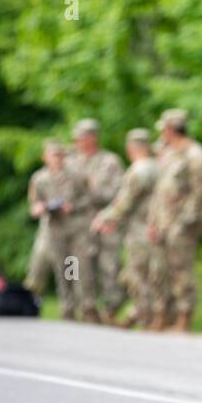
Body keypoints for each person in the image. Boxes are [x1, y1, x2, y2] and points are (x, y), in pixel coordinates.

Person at [144, 109, 202, 332]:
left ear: (171, 129)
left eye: (163, 129)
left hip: (181, 225)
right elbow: (159, 192)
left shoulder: (195, 155)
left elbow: (199, 193)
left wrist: (185, 223)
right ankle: (162, 315)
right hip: (162, 223)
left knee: (181, 271)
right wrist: (152, 221)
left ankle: (184, 317)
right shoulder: (169, 154)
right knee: (158, 271)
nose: (162, 133)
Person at [93, 128, 161, 329]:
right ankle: (136, 315)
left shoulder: (137, 171)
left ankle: (145, 318)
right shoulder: (158, 167)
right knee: (151, 275)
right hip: (155, 228)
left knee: (138, 276)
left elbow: (125, 202)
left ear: (130, 148)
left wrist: (104, 218)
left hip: (140, 230)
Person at [28, 139, 94, 322]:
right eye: (53, 155)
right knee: (63, 269)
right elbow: (34, 205)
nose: (57, 159)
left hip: (75, 228)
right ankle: (68, 309)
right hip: (55, 229)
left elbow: (89, 199)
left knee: (79, 268)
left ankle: (87, 308)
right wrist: (40, 208)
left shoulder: (76, 175)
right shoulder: (39, 179)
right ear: (45, 157)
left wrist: (72, 206)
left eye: (60, 155)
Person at [67, 118, 125, 322]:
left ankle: (111, 309)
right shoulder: (71, 162)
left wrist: (93, 188)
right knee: (78, 266)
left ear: (92, 138)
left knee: (109, 266)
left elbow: (118, 193)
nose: (77, 142)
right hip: (78, 223)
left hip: (105, 220)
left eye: (81, 138)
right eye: (76, 139)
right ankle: (85, 307)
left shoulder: (110, 162)